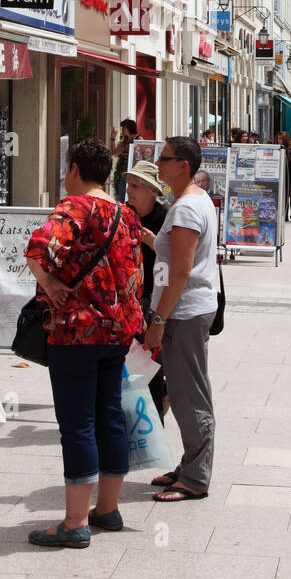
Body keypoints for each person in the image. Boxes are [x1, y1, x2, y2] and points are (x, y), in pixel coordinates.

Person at [24, 139, 144, 548]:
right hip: (118, 328)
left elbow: (39, 248)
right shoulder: (124, 213)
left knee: (78, 424)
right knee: (110, 414)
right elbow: (135, 272)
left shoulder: (75, 206)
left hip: (78, 331)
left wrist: (51, 284)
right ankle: (107, 509)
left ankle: (75, 522)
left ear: (74, 168)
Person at [144, 136, 218, 502]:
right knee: (188, 390)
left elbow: (181, 271)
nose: (158, 164)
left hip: (184, 311)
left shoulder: (188, 207)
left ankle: (195, 477)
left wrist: (159, 320)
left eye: (165, 158)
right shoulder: (193, 200)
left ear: (183, 164)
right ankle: (191, 463)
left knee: (188, 394)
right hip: (189, 308)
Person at [125, 159, 169, 420]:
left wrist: (153, 243)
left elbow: (178, 262)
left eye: (136, 186)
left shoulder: (165, 218)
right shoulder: (122, 213)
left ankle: (154, 413)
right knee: (133, 361)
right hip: (128, 299)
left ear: (153, 191)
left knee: (152, 362)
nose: (129, 190)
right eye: (128, 185)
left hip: (154, 300)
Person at [111, 118, 138, 200]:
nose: (122, 130)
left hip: (134, 174)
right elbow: (114, 153)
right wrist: (112, 139)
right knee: (121, 197)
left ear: (129, 128)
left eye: (124, 128)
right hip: (123, 174)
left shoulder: (138, 139)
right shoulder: (124, 141)